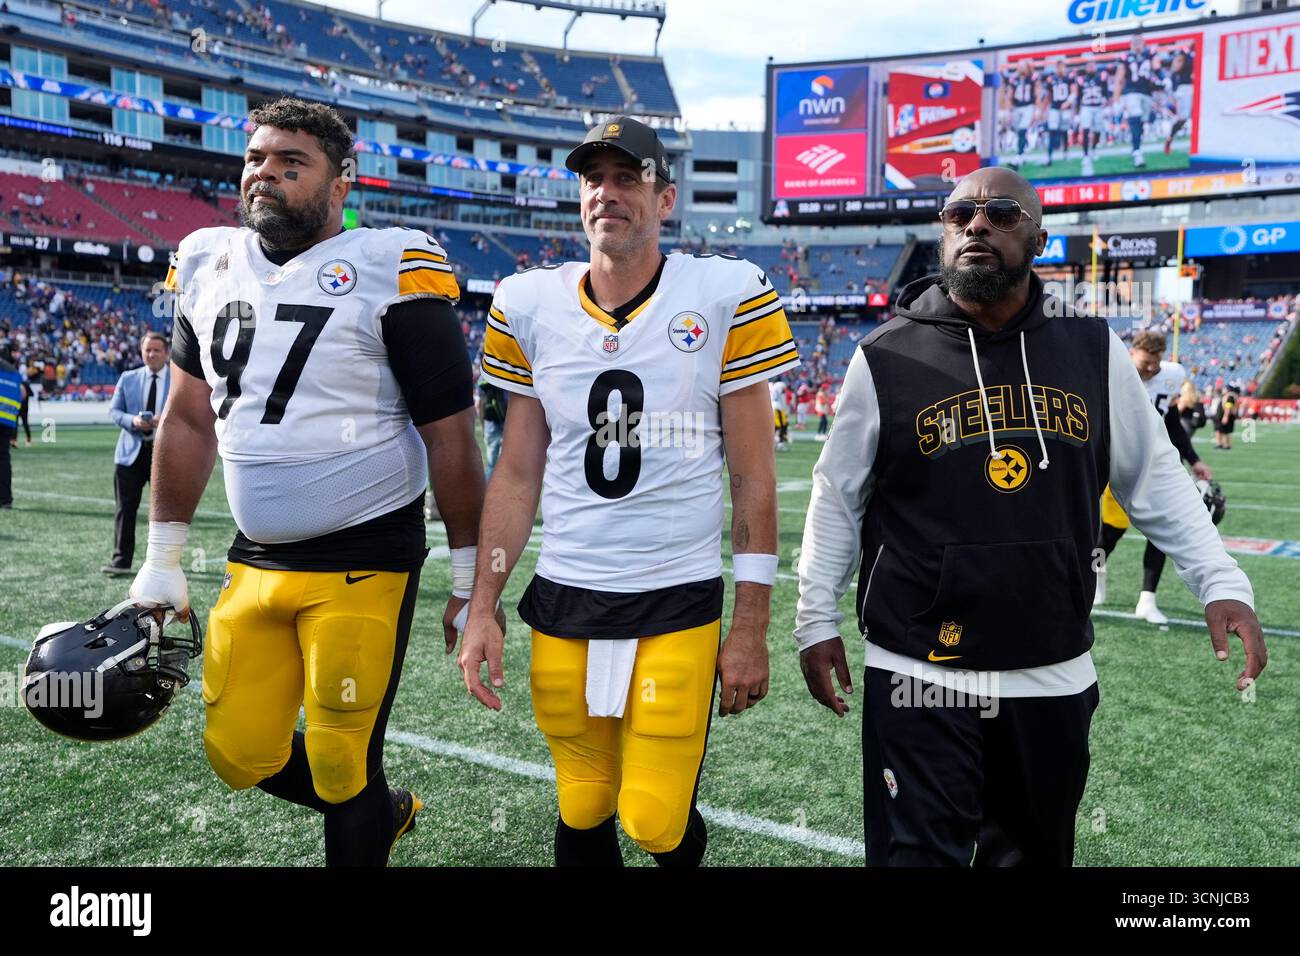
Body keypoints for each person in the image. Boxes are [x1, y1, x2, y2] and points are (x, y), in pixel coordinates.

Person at [794, 167, 1265, 867]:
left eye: (1001, 213)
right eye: (960, 214)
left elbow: (1154, 476)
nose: (977, 225)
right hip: (919, 665)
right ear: (943, 233)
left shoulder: (1092, 348)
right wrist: (814, 617)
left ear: (1039, 239)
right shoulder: (884, 356)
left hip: (1052, 666)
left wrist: (1220, 581)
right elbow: (838, 493)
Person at [126, 97, 498, 867]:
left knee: (339, 760)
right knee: (238, 752)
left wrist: (470, 580)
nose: (265, 173)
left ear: (341, 184)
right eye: (256, 158)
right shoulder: (204, 259)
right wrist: (162, 559)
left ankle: (364, 802)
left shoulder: (393, 263)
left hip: (368, 555)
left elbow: (452, 435)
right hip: (256, 555)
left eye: (291, 162)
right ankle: (383, 809)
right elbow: (188, 420)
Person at [461, 116, 797, 867]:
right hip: (566, 592)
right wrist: (483, 604)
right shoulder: (528, 302)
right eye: (593, 179)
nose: (606, 193)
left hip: (675, 595)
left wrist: (751, 626)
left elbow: (752, 476)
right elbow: (516, 473)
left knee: (652, 818)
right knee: (582, 804)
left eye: (627, 178)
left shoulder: (723, 293)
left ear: (665, 198)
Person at [1093, 329, 1213, 624]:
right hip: (1118, 462)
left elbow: (1171, 422)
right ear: (1131, 353)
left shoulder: (1171, 375)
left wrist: (1194, 459)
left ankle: (1147, 599)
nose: (1150, 369)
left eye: (1155, 363)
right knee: (1110, 533)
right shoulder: (1110, 371)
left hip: (1154, 463)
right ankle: (1096, 575)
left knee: (1161, 533)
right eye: (1145, 362)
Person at [103, 332, 171, 576]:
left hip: (164, 453)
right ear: (141, 353)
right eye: (147, 350)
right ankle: (121, 561)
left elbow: (188, 413)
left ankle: (164, 564)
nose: (151, 354)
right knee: (125, 508)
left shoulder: (179, 380)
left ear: (167, 353)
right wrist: (132, 420)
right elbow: (114, 411)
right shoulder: (128, 378)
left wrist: (166, 421)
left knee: (165, 513)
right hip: (129, 453)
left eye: (157, 350)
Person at [476, 378, 507, 477]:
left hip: (490, 427)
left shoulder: (483, 380)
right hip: (506, 427)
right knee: (505, 465)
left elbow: (481, 405)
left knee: (491, 465)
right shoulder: (506, 378)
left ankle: (488, 485)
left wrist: (483, 427)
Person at [0, 351, 19, 509]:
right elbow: (22, 394)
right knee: (3, 460)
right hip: (7, 420)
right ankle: (5, 499)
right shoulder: (14, 372)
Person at [1213, 384, 1239, 449]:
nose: (1223, 389)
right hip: (1224, 416)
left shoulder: (1230, 396)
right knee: (1224, 431)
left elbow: (1228, 406)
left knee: (1221, 430)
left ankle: (1221, 444)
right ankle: (1225, 445)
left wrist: (1226, 416)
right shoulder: (1229, 396)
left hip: (1224, 416)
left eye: (1225, 388)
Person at [771, 376, 791, 450]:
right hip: (779, 407)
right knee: (782, 426)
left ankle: (774, 442)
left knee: (775, 426)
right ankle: (780, 443)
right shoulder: (780, 384)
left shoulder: (770, 385)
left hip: (772, 407)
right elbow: (784, 390)